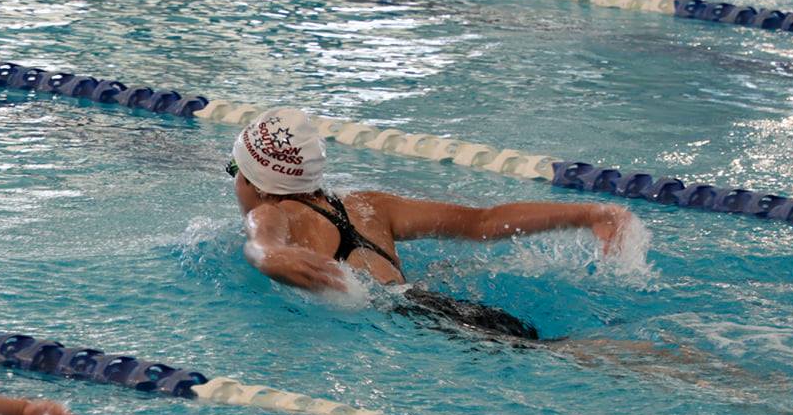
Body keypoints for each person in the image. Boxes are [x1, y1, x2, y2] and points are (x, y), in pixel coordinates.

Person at [229, 109, 634, 340]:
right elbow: (483, 222)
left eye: (235, 169)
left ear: (255, 182)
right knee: (565, 349)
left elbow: (262, 242)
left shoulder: (271, 213)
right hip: (448, 308)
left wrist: (270, 256)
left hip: (419, 327)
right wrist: (587, 213)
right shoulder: (371, 206)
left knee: (574, 356)